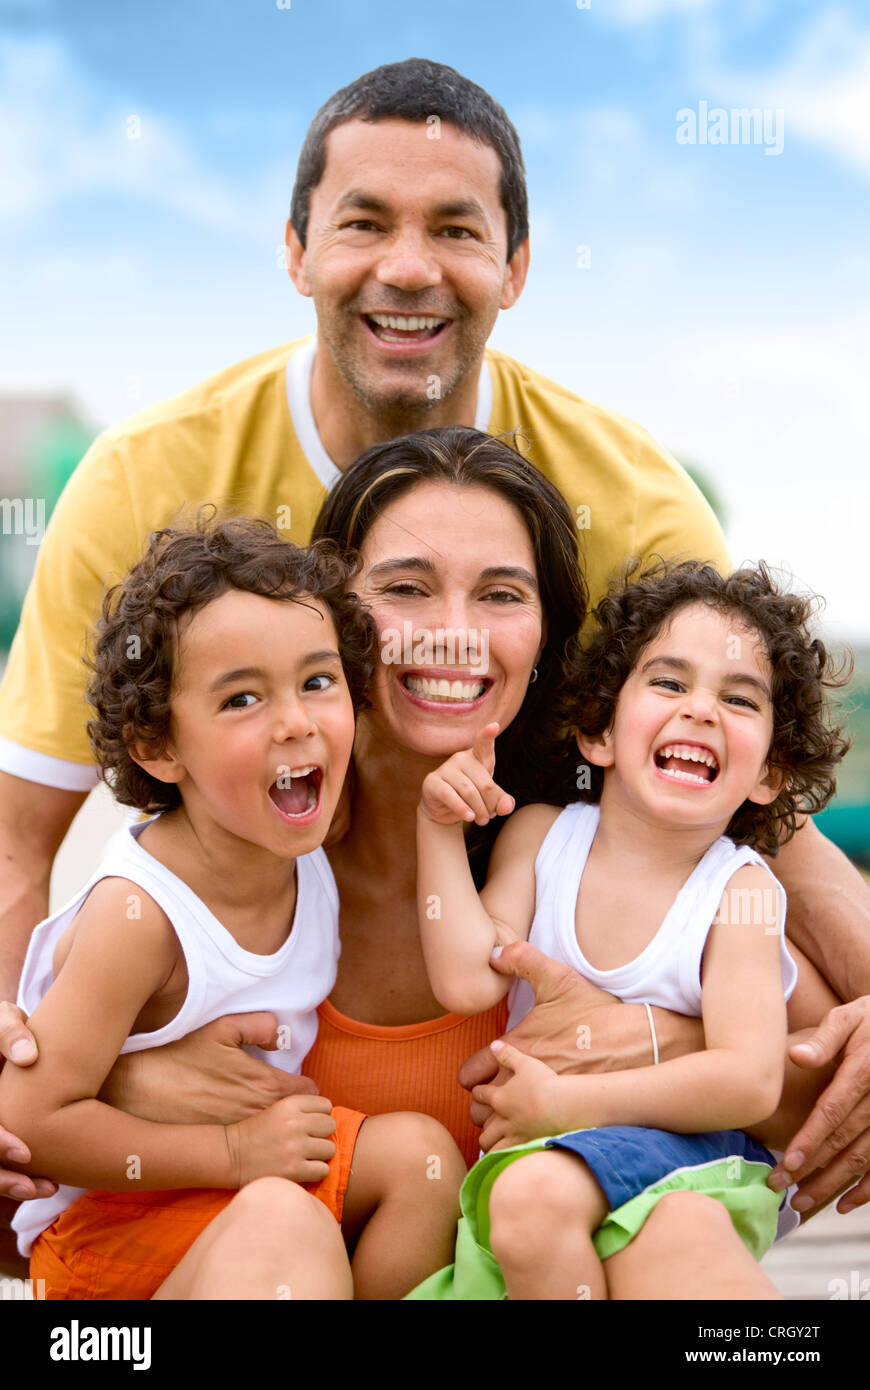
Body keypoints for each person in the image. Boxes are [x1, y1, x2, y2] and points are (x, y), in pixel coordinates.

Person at [0, 56, 868, 1222]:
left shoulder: (631, 501)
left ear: (514, 267)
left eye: (456, 228)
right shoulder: (146, 479)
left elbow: (755, 813)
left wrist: (719, 1029)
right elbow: (18, 842)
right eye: (364, 222)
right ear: (296, 248)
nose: (408, 268)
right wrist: (56, 1092)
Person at [0, 514, 465, 1300]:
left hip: (250, 1183)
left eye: (318, 682)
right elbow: (32, 1121)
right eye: (242, 698)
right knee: (285, 1220)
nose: (296, 722)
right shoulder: (140, 915)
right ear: (158, 747)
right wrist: (234, 1155)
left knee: (423, 1162)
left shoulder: (309, 836)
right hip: (112, 1231)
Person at [411, 559, 849, 1299]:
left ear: (769, 775)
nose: (701, 710)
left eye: (739, 699)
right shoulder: (542, 837)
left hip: (692, 1150)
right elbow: (466, 978)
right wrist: (436, 828)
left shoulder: (738, 891)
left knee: (532, 1202)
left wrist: (571, 1104)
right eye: (670, 683)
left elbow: (748, 1080)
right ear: (599, 732)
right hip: (552, 1143)